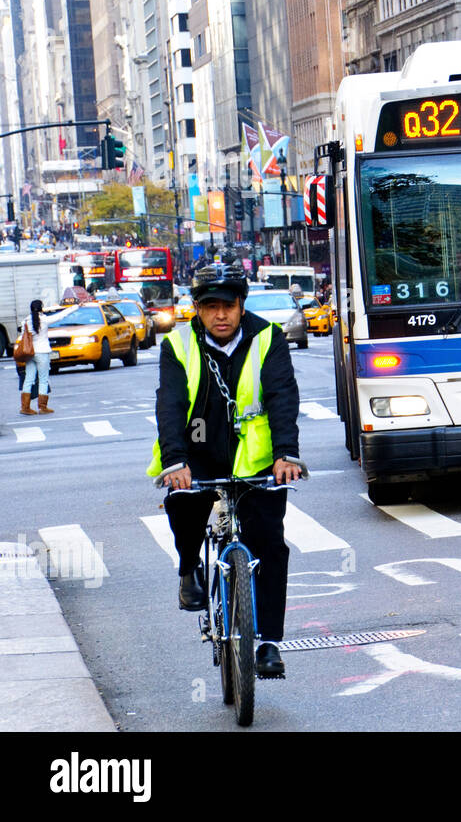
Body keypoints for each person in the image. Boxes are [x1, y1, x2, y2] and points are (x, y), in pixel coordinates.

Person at [147, 264, 303, 678]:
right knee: (182, 506)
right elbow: (170, 405)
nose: (220, 315)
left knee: (270, 542)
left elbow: (283, 396)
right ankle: (187, 570)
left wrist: (286, 454)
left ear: (241, 305)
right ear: (196, 309)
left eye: (228, 306)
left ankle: (268, 642)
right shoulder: (178, 344)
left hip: (257, 458)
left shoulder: (267, 337)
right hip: (195, 454)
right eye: (210, 306)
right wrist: (174, 461)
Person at [18, 300, 53, 415]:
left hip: (30, 353)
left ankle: (25, 407)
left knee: (29, 379)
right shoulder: (45, 319)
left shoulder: (25, 321)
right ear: (41, 307)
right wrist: (75, 307)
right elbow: (61, 316)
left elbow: (23, 336)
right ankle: (43, 407)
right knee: (43, 379)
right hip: (42, 352)